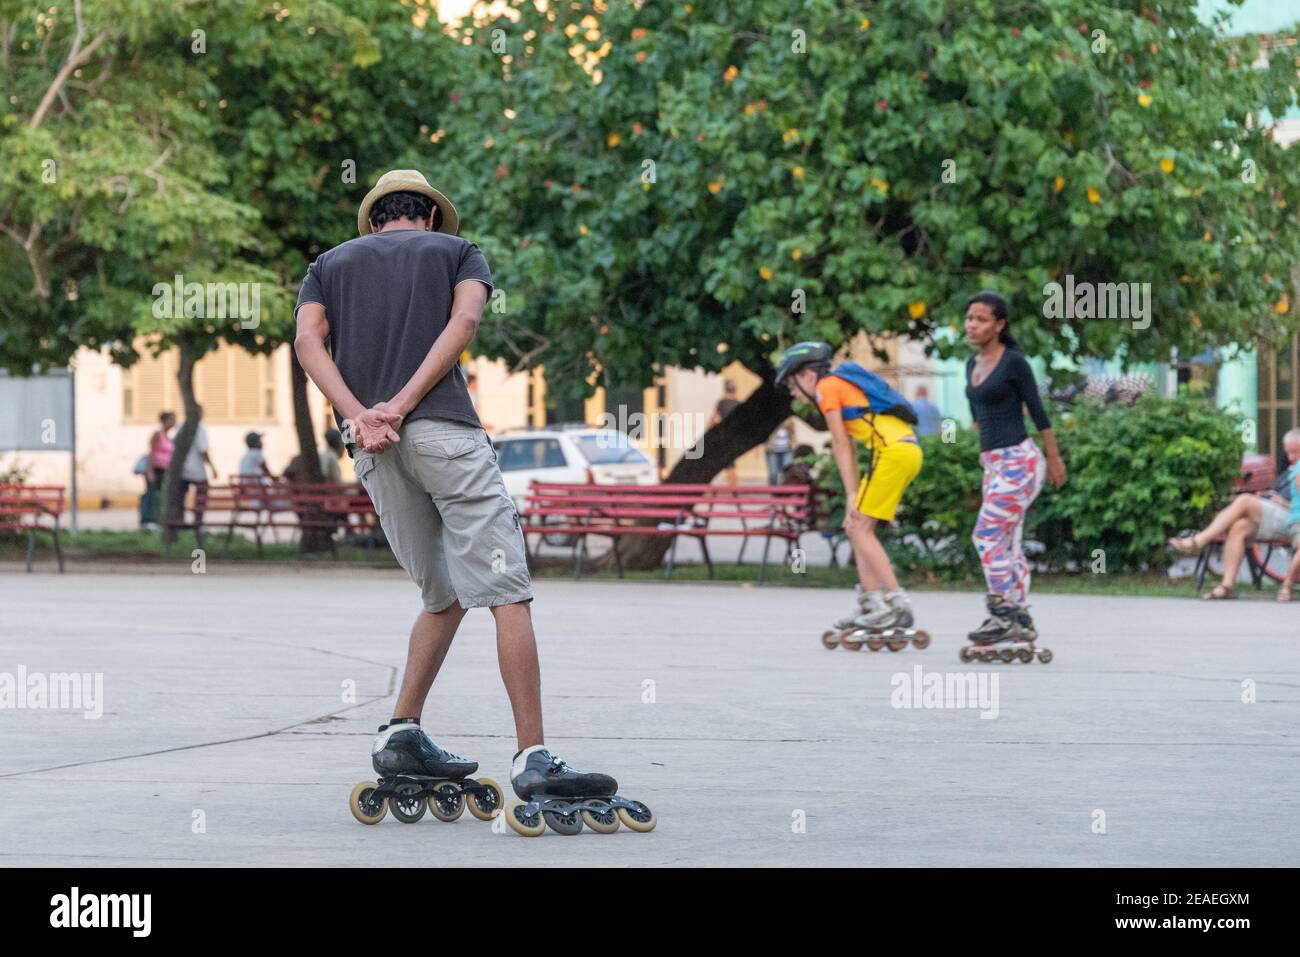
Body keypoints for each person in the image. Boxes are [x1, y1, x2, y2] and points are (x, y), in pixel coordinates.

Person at [294, 169, 650, 833]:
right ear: (429, 215)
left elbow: (308, 342)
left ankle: (402, 732)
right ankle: (534, 757)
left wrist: (363, 416)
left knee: (445, 593)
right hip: (442, 433)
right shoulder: (459, 253)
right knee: (505, 590)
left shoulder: (327, 265)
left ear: (376, 219)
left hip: (373, 447)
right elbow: (464, 322)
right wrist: (401, 404)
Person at [776, 341, 923, 633]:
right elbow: (851, 449)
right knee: (856, 525)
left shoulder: (826, 388)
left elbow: (842, 444)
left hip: (892, 453)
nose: (792, 391)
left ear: (807, 376)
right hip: (902, 451)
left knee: (858, 527)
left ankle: (897, 604)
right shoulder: (839, 384)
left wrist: (852, 493)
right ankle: (871, 603)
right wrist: (852, 494)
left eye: (792, 383)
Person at [963, 291, 1067, 644]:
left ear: (999, 325)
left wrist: (1053, 458)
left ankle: (1003, 613)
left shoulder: (1014, 363)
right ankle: (1020, 614)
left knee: (985, 536)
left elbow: (1038, 412)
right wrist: (984, 454)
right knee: (1007, 545)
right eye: (969, 318)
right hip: (994, 464)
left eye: (980, 319)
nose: (972, 325)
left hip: (1019, 462)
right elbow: (979, 418)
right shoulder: (970, 365)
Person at [1169, 428, 1300, 601]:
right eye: (1288, 452)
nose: (1290, 457)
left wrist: (1286, 502)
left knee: (1245, 500)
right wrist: (1282, 501)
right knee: (1240, 526)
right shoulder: (1294, 466)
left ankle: (1199, 541)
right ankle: (1227, 586)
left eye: (1295, 452)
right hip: (1286, 515)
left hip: (1291, 518)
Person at [179, 405, 217, 528]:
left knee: (180, 497)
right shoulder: (199, 428)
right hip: (196, 469)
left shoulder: (180, 427)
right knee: (202, 494)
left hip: (182, 470)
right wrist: (212, 467)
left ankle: (180, 522)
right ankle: (198, 522)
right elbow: (203, 450)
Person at [141, 411, 176, 528]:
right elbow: (152, 452)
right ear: (165, 421)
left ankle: (158, 519)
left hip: (165, 470)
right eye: (172, 420)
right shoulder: (157, 434)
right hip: (155, 469)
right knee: (151, 494)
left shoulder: (169, 437)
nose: (174, 422)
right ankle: (147, 520)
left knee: (162, 495)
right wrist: (150, 470)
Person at [709, 379, 740, 486]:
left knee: (727, 463)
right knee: (730, 463)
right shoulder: (738, 403)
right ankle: (733, 487)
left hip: (724, 435)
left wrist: (709, 431)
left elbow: (713, 418)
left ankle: (733, 487)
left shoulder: (722, 402)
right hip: (734, 436)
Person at [765, 418, 796, 485]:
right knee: (773, 474)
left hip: (787, 450)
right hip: (772, 449)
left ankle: (786, 491)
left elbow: (793, 434)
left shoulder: (788, 420)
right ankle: (773, 492)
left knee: (787, 472)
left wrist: (794, 445)